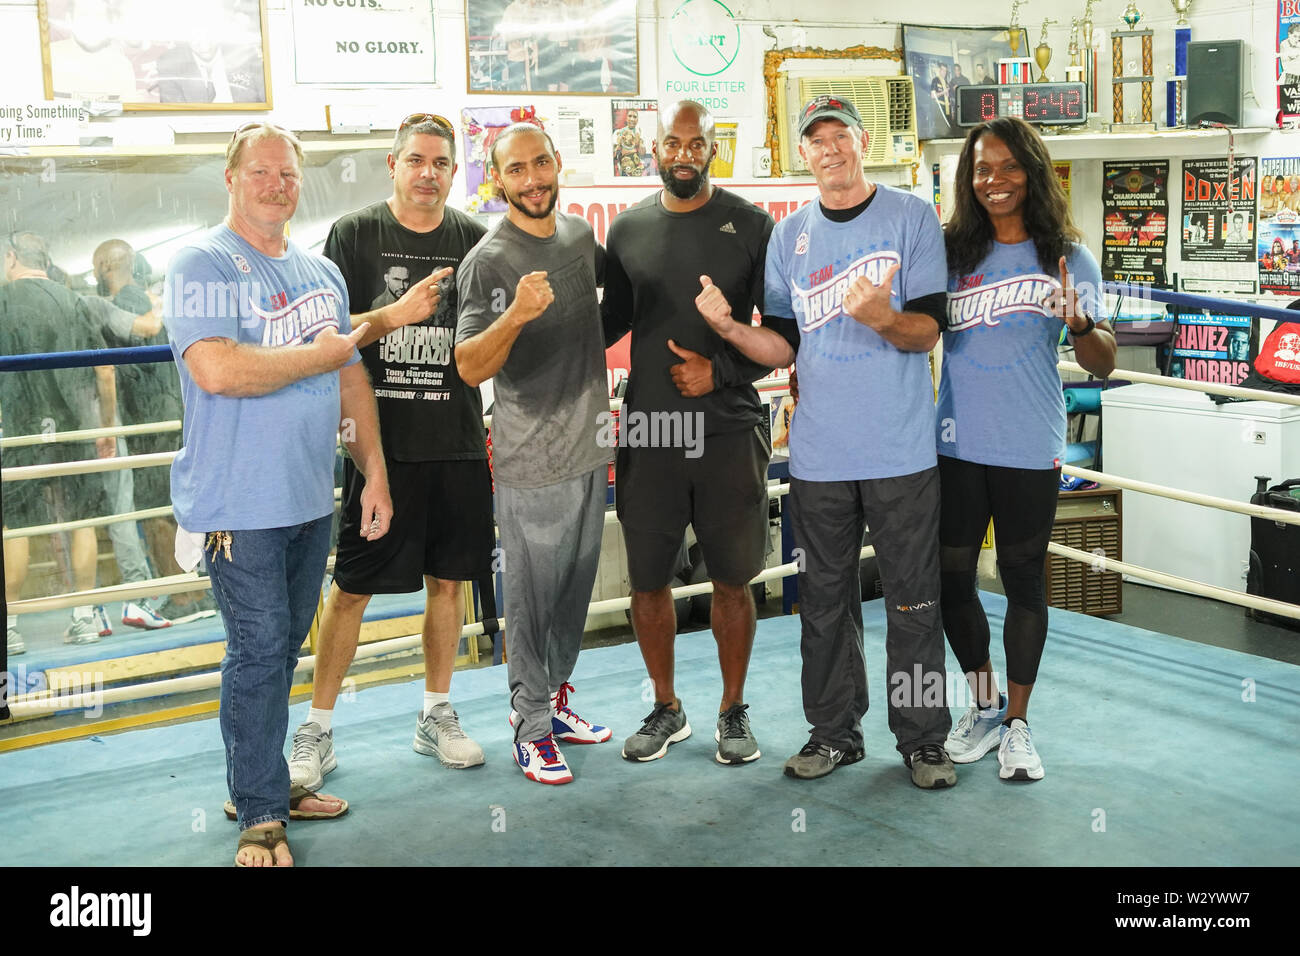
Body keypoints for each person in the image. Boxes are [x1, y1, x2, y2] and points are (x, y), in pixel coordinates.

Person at [690, 94, 957, 789]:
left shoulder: (912, 217)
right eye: (816, 139)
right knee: (824, 605)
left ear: (863, 142)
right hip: (819, 459)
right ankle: (835, 733)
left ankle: (923, 739)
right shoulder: (789, 236)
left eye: (841, 135)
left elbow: (928, 331)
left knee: (914, 605)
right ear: (801, 153)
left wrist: (881, 317)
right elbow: (780, 345)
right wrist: (727, 330)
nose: (830, 148)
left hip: (902, 454)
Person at [164, 122, 388, 866]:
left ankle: (256, 777)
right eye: (260, 172)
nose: (276, 185)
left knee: (283, 644)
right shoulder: (203, 261)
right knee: (259, 649)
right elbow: (218, 370)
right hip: (237, 504)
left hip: (306, 500)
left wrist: (374, 469)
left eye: (288, 174)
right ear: (230, 179)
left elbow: (349, 376)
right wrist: (315, 354)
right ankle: (260, 812)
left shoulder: (322, 273)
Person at [288, 113, 492, 790]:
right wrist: (390, 316)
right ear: (393, 165)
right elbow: (325, 333)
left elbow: (486, 341)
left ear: (452, 170)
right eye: (416, 161)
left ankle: (435, 713)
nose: (428, 173)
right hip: (382, 447)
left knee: (448, 583)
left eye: (440, 162)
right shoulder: (355, 234)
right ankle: (316, 726)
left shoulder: (473, 240)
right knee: (351, 590)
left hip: (457, 442)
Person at [937, 116, 1115, 781]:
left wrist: (1081, 322)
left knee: (1021, 582)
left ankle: (1017, 724)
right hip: (955, 444)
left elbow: (1100, 362)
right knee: (951, 577)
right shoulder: (950, 251)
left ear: (1032, 172)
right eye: (983, 169)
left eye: (1009, 167)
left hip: (1027, 445)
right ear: (969, 178)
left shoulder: (1066, 254)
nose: (995, 181)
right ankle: (982, 707)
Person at [602, 101, 775, 765]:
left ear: (712, 150)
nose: (682, 154)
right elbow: (609, 323)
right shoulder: (627, 230)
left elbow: (779, 337)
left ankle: (733, 712)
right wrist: (534, 347)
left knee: (733, 579)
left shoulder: (752, 226)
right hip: (649, 428)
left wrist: (721, 370)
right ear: (655, 150)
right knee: (648, 580)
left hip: (729, 429)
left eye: (695, 144)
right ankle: (666, 706)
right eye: (672, 144)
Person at [455, 122, 612, 785]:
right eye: (516, 169)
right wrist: (515, 314)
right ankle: (530, 727)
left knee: (574, 596)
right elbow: (467, 365)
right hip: (530, 460)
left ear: (557, 165)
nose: (533, 179)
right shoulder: (488, 261)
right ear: (497, 181)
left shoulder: (579, 236)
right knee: (531, 599)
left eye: (541, 163)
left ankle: (554, 698)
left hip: (589, 448)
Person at [1, 231, 114, 653]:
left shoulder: (2, 302)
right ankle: (83, 618)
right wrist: (104, 428)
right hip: (73, 428)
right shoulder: (74, 301)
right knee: (81, 519)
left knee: (17, 526)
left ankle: (9, 626)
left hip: (20, 430)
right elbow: (106, 372)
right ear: (46, 261)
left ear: (12, 258)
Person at [613, 108, 646, 176]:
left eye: (634, 117)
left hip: (637, 167)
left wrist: (640, 141)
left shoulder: (640, 132)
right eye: (630, 116)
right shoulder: (618, 132)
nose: (632, 119)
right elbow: (613, 155)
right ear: (626, 118)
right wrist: (618, 144)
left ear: (637, 119)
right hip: (623, 168)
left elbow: (642, 154)